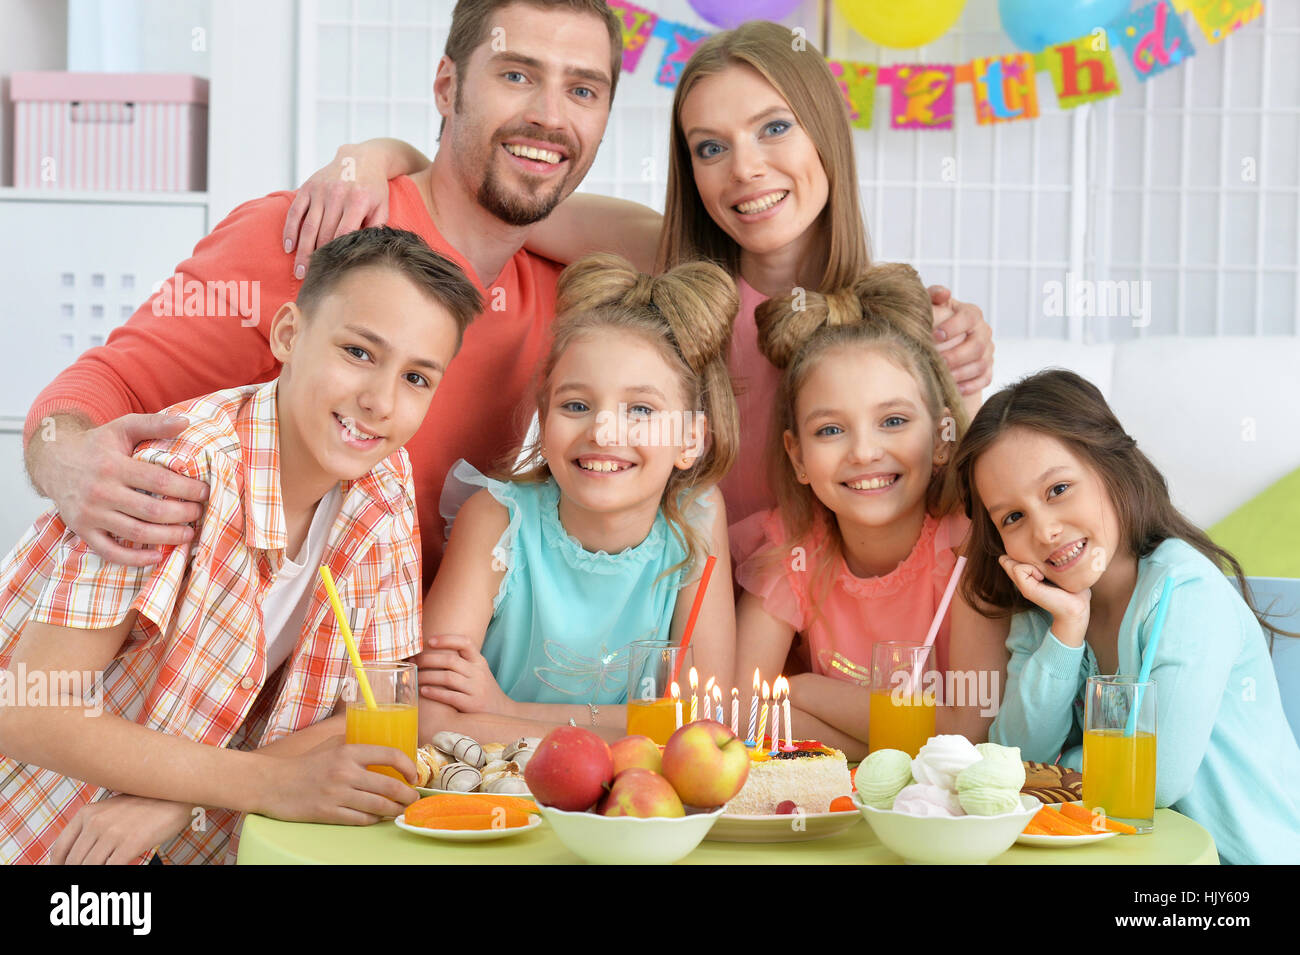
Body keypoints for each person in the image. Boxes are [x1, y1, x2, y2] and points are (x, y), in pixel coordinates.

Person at [290, 20, 997, 529]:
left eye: (774, 128)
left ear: (826, 131)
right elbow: (484, 193)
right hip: (685, 644)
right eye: (711, 146)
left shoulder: (889, 323)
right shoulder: (672, 264)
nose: (746, 168)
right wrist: (369, 155)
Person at [20, 0, 625, 587]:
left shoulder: (565, 291)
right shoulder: (315, 236)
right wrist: (69, 463)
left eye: (582, 90)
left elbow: (682, 237)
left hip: (383, 674)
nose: (549, 114)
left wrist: (395, 159)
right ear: (447, 86)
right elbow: (105, 388)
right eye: (516, 74)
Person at [0, 228, 482, 865]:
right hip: (46, 827)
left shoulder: (383, 488)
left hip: (197, 838)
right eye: (359, 352)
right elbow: (26, 707)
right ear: (287, 334)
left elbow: (373, 711)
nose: (380, 401)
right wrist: (264, 782)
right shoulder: (181, 475)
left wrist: (176, 798)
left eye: (417, 377)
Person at [957, 369, 1300, 865]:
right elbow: (1014, 758)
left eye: (1058, 489)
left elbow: (1156, 779)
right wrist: (1067, 631)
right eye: (1013, 517)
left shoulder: (1186, 592)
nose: (1045, 530)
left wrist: (1058, 766)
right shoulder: (1042, 612)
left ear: (1112, 469)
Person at [414, 254, 737, 739]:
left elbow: (702, 724)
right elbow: (428, 717)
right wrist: (629, 731)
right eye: (577, 405)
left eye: (641, 409)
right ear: (544, 421)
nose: (603, 432)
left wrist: (505, 711)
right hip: (498, 799)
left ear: (690, 439)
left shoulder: (698, 520)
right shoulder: (498, 519)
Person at [728, 264, 1008, 760]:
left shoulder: (967, 546)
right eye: (830, 430)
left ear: (942, 437)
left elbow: (968, 731)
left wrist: (805, 690)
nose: (863, 452)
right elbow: (739, 711)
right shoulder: (790, 553)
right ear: (798, 458)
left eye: (893, 421)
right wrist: (897, 735)